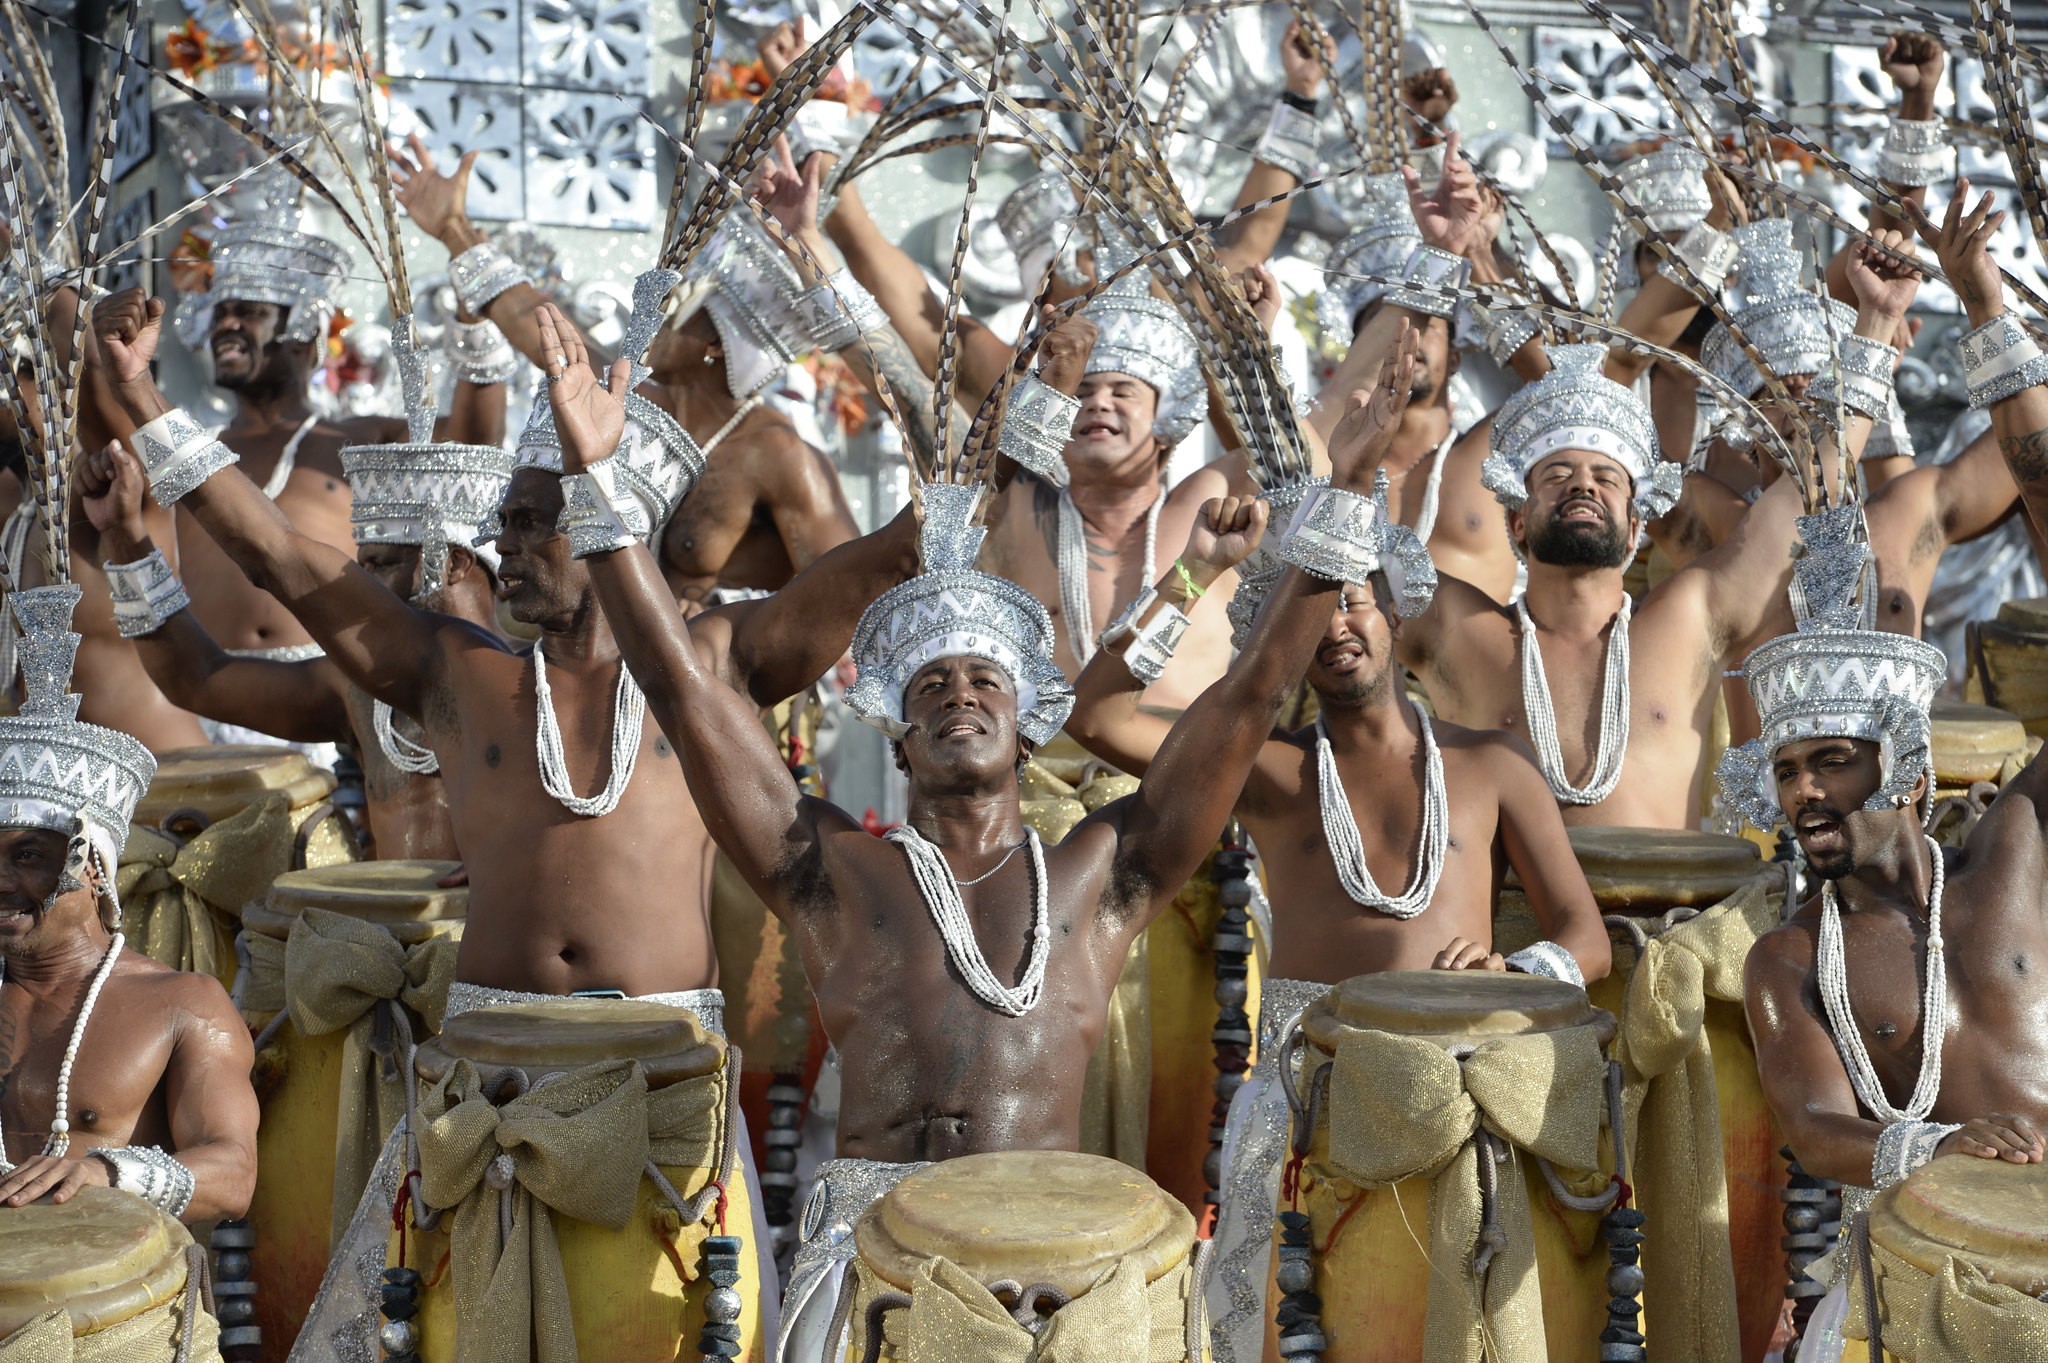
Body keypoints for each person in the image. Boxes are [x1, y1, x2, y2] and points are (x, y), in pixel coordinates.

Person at [536, 293, 1421, 1358]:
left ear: (1028, 721)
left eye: (986, 681)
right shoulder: (831, 871)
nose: (960, 694)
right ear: (899, 741)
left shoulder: (1103, 875)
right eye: (933, 686)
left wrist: (1340, 495)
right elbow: (681, 691)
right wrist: (598, 490)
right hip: (876, 1258)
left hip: (1052, 1267)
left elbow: (1242, 700)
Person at [1391, 228, 1922, 828]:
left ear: (1638, 520)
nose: (1583, 485)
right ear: (1516, 521)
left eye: (1606, 478)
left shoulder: (1685, 618)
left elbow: (1805, 494)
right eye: (1558, 473)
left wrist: (1877, 322)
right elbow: (1329, 569)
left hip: (1674, 921)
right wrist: (1358, 467)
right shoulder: (1458, 627)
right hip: (1502, 922)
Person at [1733, 509, 2048, 1361]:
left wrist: (2012, 383)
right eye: (1788, 770)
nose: (1803, 792)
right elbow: (1814, 1125)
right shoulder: (1790, 958)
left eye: (1831, 760)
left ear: (1906, 771)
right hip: (1919, 1270)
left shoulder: (2015, 858)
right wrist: (1943, 1144)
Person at [387, 135, 862, 610]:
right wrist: (453, 229)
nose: (659, 317)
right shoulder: (630, 399)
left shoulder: (779, 453)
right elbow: (533, 318)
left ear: (718, 345)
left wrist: (725, 615)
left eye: (678, 312)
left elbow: (847, 596)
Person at [149, 173, 510, 704]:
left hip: (337, 697)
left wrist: (474, 309)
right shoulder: (188, 450)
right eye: (221, 313)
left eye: (249, 313)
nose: (227, 326)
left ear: (303, 335)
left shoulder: (365, 439)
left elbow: (469, 453)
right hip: (217, 697)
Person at [83, 434, 513, 862]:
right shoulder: (355, 689)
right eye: (362, 567)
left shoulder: (535, 680)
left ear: (455, 564)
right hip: (381, 928)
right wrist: (124, 539)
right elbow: (194, 678)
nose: (364, 588)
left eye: (382, 566)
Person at [0, 581, 257, 1224]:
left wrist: (102, 1170)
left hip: (112, 1310)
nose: (1, 880)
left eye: (28, 856)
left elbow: (232, 1176)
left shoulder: (184, 1004)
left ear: (91, 865)